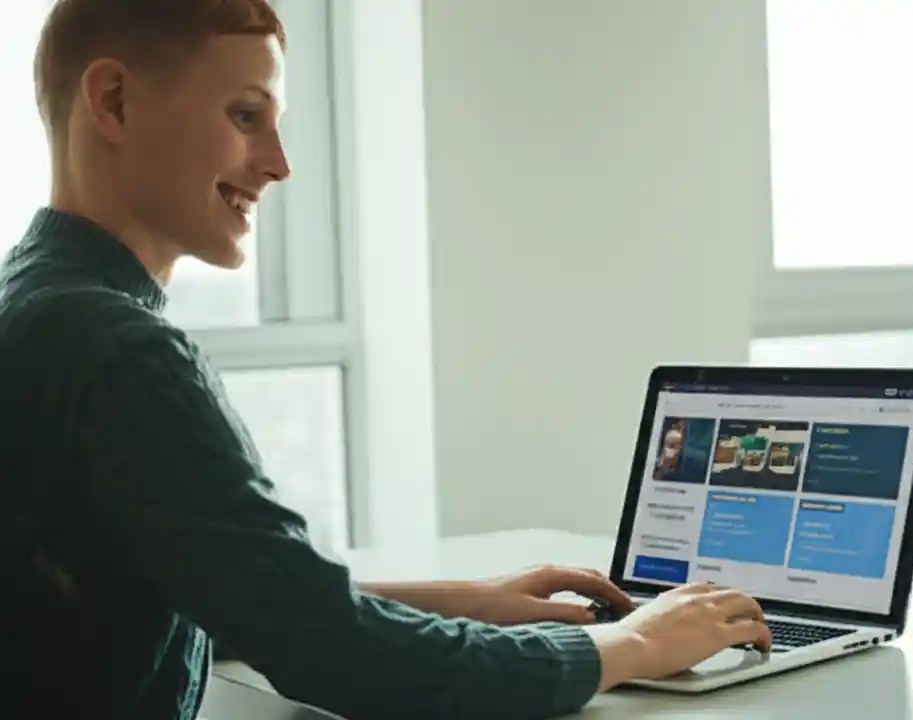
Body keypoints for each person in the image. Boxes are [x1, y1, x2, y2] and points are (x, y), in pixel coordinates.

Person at [0, 1, 771, 718]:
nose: (278, 162)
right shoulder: (120, 352)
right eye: (245, 116)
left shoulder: (33, 306)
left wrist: (467, 600)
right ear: (113, 102)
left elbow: (236, 595)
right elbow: (330, 651)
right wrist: (631, 643)